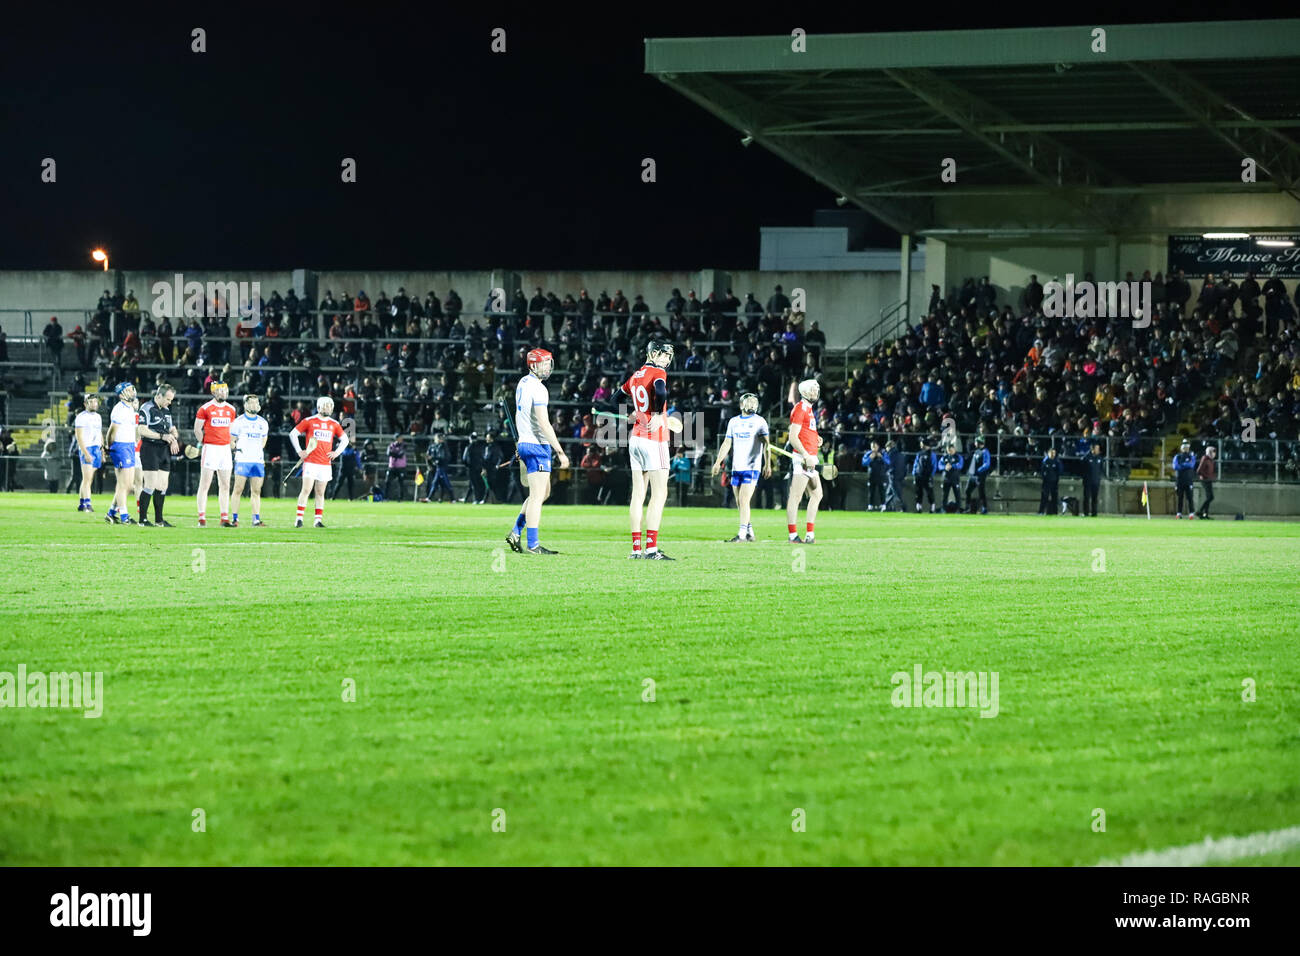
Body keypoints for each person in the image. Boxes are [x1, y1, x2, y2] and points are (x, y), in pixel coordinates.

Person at [505, 349, 569, 555]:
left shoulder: (523, 383)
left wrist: (520, 441)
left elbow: (519, 414)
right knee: (537, 496)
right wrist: (560, 451)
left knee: (543, 493)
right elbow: (544, 423)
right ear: (533, 365)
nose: (548, 367)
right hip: (537, 444)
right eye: (544, 363)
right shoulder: (540, 389)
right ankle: (533, 544)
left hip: (525, 442)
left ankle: (516, 531)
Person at [620, 340, 675, 559]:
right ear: (652, 353)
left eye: (669, 357)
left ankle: (636, 549)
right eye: (663, 355)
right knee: (660, 493)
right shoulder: (658, 372)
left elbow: (615, 397)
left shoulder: (635, 375)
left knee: (638, 494)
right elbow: (660, 391)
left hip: (636, 438)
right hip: (654, 439)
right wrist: (660, 414)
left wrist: (630, 413)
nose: (666, 360)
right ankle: (651, 549)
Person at [710, 391, 770, 541]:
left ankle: (742, 535)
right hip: (737, 467)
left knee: (744, 501)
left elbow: (767, 445)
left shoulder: (760, 421)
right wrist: (718, 462)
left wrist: (767, 464)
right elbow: (727, 443)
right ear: (742, 404)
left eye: (755, 402)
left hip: (752, 467)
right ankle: (750, 532)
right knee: (739, 502)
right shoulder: (733, 422)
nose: (753, 404)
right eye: (750, 402)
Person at [290, 396, 348, 527]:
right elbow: (293, 434)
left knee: (320, 492)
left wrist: (337, 453)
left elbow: (345, 440)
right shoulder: (309, 421)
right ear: (319, 407)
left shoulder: (334, 424)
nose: (327, 408)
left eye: (330, 406)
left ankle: (318, 520)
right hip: (311, 462)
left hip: (325, 464)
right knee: (306, 490)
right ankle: (299, 519)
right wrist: (300, 451)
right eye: (325, 405)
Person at [194, 381, 239, 527]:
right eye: (220, 391)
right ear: (213, 392)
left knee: (225, 484)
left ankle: (224, 517)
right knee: (205, 484)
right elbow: (197, 429)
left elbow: (231, 431)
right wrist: (204, 443)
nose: (223, 393)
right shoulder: (205, 408)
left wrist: (232, 444)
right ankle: (202, 517)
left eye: (225, 390)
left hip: (225, 450)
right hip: (211, 449)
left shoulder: (231, 409)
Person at [137, 383, 181, 526]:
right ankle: (142, 519)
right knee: (150, 484)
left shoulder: (166, 410)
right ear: (159, 396)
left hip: (164, 450)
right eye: (168, 399)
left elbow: (171, 428)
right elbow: (142, 430)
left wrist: (174, 437)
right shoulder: (146, 408)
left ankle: (159, 520)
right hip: (150, 449)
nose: (170, 402)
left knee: (162, 485)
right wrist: (163, 437)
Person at [785, 378, 823, 542]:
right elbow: (793, 437)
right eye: (813, 389)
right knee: (796, 496)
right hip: (803, 458)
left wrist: (816, 438)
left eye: (817, 389)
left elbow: (805, 432)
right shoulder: (800, 408)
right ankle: (793, 535)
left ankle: (810, 534)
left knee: (817, 494)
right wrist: (806, 455)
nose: (816, 392)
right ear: (805, 392)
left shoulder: (809, 409)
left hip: (811, 457)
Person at [229, 393, 270, 526]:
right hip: (243, 460)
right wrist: (238, 452)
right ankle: (235, 519)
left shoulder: (263, 423)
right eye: (251, 402)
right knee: (238, 489)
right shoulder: (238, 422)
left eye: (256, 402)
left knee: (256, 491)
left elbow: (263, 442)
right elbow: (231, 441)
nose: (254, 405)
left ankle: (256, 519)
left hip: (257, 461)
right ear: (245, 405)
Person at [103, 382, 138, 524]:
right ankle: (124, 516)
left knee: (127, 485)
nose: (132, 392)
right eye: (128, 390)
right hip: (120, 446)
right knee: (125, 484)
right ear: (121, 394)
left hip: (129, 446)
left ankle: (111, 512)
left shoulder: (129, 408)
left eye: (132, 389)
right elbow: (112, 432)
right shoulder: (119, 409)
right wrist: (109, 447)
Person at [73, 393, 103, 512]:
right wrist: (85, 452)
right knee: (87, 478)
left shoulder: (98, 417)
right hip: (87, 448)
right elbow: (79, 437)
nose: (94, 404)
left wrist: (102, 450)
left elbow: (99, 433)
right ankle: (88, 504)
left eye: (95, 402)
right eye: (91, 402)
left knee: (88, 479)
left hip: (96, 448)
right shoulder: (81, 417)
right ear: (85, 403)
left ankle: (81, 504)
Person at [964, 436, 991, 514]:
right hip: (973, 475)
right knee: (967, 490)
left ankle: (984, 508)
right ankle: (968, 507)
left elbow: (987, 464)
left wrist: (979, 470)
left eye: (976, 442)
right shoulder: (976, 451)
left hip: (980, 476)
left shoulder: (985, 451)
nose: (975, 443)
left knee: (981, 492)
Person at [1171, 438, 1197, 519]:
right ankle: (1179, 513)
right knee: (1180, 497)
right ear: (1181, 448)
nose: (1185, 448)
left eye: (1187, 447)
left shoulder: (1191, 456)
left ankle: (1191, 513)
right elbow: (1175, 466)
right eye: (1184, 447)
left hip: (1189, 480)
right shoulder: (1177, 456)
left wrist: (1182, 465)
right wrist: (1185, 465)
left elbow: (1191, 465)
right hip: (1179, 480)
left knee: (1190, 497)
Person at [937, 442, 963, 512]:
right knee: (944, 495)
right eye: (949, 450)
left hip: (955, 478)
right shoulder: (945, 457)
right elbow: (939, 465)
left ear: (954, 449)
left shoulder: (958, 457)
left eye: (951, 450)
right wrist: (944, 467)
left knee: (957, 494)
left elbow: (960, 465)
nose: (950, 452)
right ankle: (943, 509)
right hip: (946, 478)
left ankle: (958, 509)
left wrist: (952, 466)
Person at [912, 440, 937, 513]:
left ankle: (932, 507)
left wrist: (931, 475)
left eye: (922, 444)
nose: (921, 445)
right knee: (918, 492)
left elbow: (934, 465)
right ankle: (918, 507)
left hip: (927, 476)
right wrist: (914, 473)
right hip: (919, 476)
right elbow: (916, 464)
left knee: (929, 492)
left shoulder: (932, 454)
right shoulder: (919, 454)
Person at [862, 441, 887, 511]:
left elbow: (888, 462)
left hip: (881, 476)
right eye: (872, 447)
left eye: (875, 446)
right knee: (871, 492)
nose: (873, 448)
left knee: (882, 491)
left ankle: (883, 506)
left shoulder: (883, 453)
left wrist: (881, 457)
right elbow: (863, 463)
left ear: (878, 447)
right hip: (871, 476)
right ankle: (870, 506)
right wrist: (870, 458)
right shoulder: (868, 454)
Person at [1081, 442, 1104, 517]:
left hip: (1096, 481)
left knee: (1095, 498)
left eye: (1098, 448)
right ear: (1092, 449)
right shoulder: (1086, 457)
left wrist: (1099, 478)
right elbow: (1082, 469)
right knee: (1087, 497)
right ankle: (1086, 513)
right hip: (1088, 481)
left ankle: (1094, 513)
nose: (1098, 450)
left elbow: (1101, 469)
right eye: (1097, 448)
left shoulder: (1100, 458)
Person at [1196, 444, 1218, 519]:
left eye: (1214, 452)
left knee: (1209, 497)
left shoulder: (1211, 461)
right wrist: (1206, 477)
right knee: (1210, 497)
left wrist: (1212, 477)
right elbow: (1199, 471)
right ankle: (1200, 511)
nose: (1214, 453)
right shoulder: (1205, 459)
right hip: (1205, 480)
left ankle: (1205, 514)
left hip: (1208, 480)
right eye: (1213, 452)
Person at [1039, 447, 1062, 515]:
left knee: (1054, 497)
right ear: (1048, 453)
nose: (1053, 454)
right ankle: (1041, 511)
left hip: (1054, 482)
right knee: (1044, 497)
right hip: (1046, 482)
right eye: (1051, 453)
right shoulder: (1045, 461)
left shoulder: (1057, 461)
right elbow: (1042, 471)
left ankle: (1055, 512)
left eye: (1054, 453)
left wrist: (1056, 479)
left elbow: (1059, 471)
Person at [386, 433, 408, 501]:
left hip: (401, 467)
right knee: (387, 481)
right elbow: (388, 453)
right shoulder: (391, 445)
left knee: (401, 483)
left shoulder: (404, 445)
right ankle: (386, 497)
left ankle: (400, 498)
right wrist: (396, 454)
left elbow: (401, 454)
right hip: (392, 466)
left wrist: (393, 454)